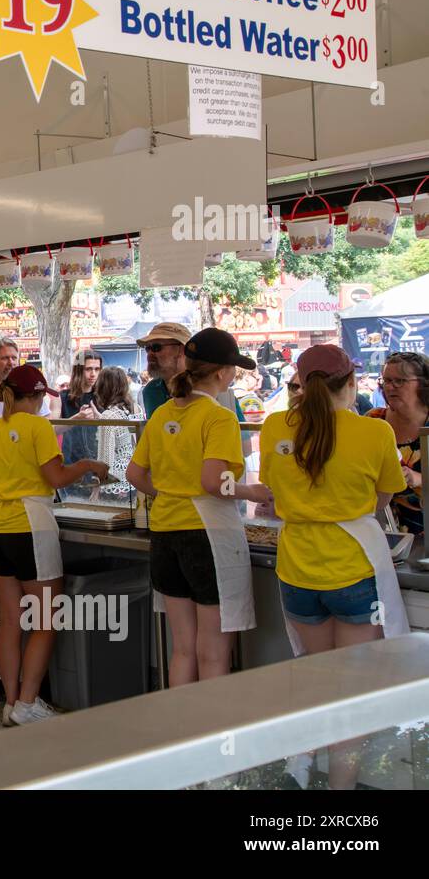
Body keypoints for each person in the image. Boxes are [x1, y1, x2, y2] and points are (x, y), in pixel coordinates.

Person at [261, 344, 408, 790]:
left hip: (296, 571)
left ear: (302, 385)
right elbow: (383, 501)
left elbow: (271, 491)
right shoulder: (374, 434)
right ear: (349, 382)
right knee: (351, 691)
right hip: (354, 571)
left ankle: (302, 773)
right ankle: (339, 793)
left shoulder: (272, 427)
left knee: (318, 681)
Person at [126, 329, 271, 686]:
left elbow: (134, 473)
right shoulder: (218, 416)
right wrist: (250, 491)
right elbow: (214, 482)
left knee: (183, 647)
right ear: (223, 372)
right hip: (208, 536)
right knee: (214, 649)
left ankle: (182, 728)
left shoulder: (161, 415)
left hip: (165, 533)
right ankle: (212, 733)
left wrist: (168, 492)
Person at [0, 366, 109, 725]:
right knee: (44, 621)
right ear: (35, 397)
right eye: (41, 397)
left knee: (10, 621)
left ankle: (10, 703)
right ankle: (28, 702)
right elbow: (55, 478)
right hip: (32, 525)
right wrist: (87, 464)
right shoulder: (38, 426)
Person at [367, 351, 429, 535]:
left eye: (399, 381)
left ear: (423, 384)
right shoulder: (374, 420)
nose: (390, 387)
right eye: (386, 380)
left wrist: (417, 478)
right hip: (384, 531)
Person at [138, 322, 248, 424]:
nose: (150, 354)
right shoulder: (150, 391)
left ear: (181, 349)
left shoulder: (210, 385)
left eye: (156, 347)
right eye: (148, 348)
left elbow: (243, 437)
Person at [94, 367, 144, 499]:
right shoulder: (136, 409)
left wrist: (97, 487)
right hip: (136, 478)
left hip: (115, 485)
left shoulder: (109, 416)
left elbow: (106, 457)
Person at [59, 350, 103, 465]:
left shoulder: (103, 397)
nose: (93, 374)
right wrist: (76, 418)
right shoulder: (63, 397)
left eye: (97, 369)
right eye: (88, 369)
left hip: (98, 459)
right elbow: (53, 429)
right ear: (79, 370)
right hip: (70, 461)